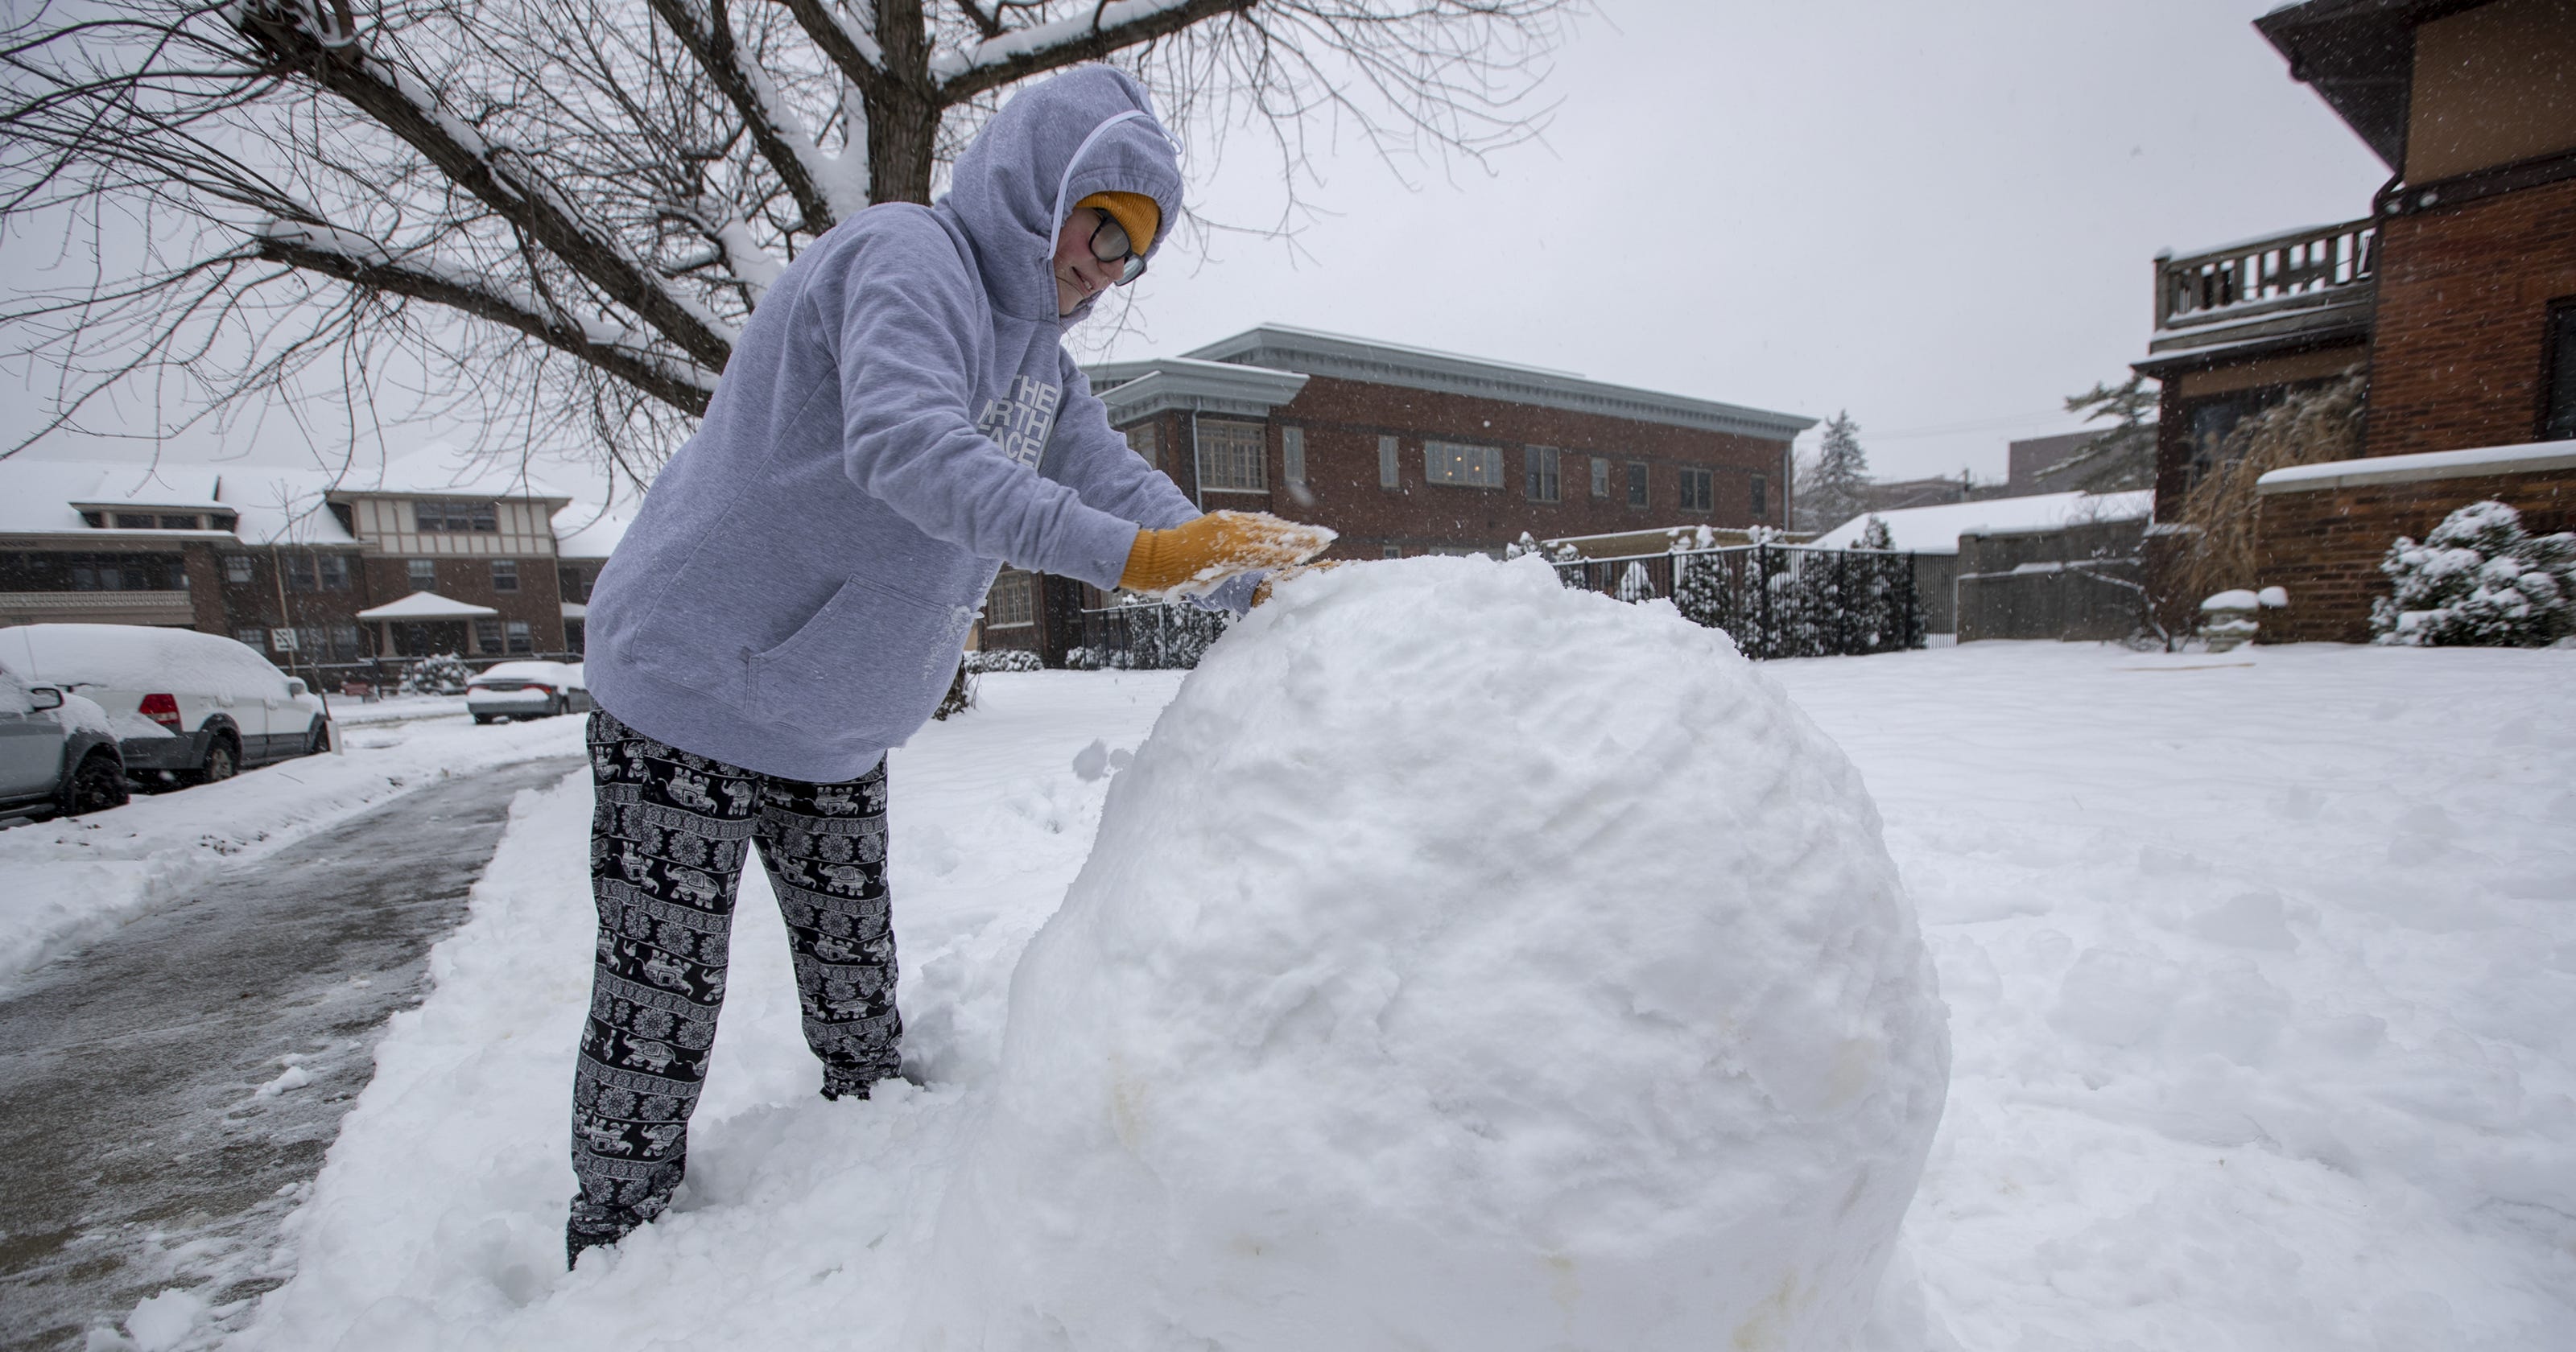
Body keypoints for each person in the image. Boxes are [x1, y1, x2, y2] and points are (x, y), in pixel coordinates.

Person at [564, 65, 1324, 1264]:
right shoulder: (907, 259)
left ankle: (880, 1194)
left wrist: (1237, 564)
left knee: (859, 991)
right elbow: (906, 447)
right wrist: (1131, 558)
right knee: (662, 999)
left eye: (1134, 252)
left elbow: (1112, 481)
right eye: (1103, 223)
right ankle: (615, 1249)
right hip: (693, 685)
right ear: (1043, 184)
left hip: (831, 720)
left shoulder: (1040, 365)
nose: (1108, 266)